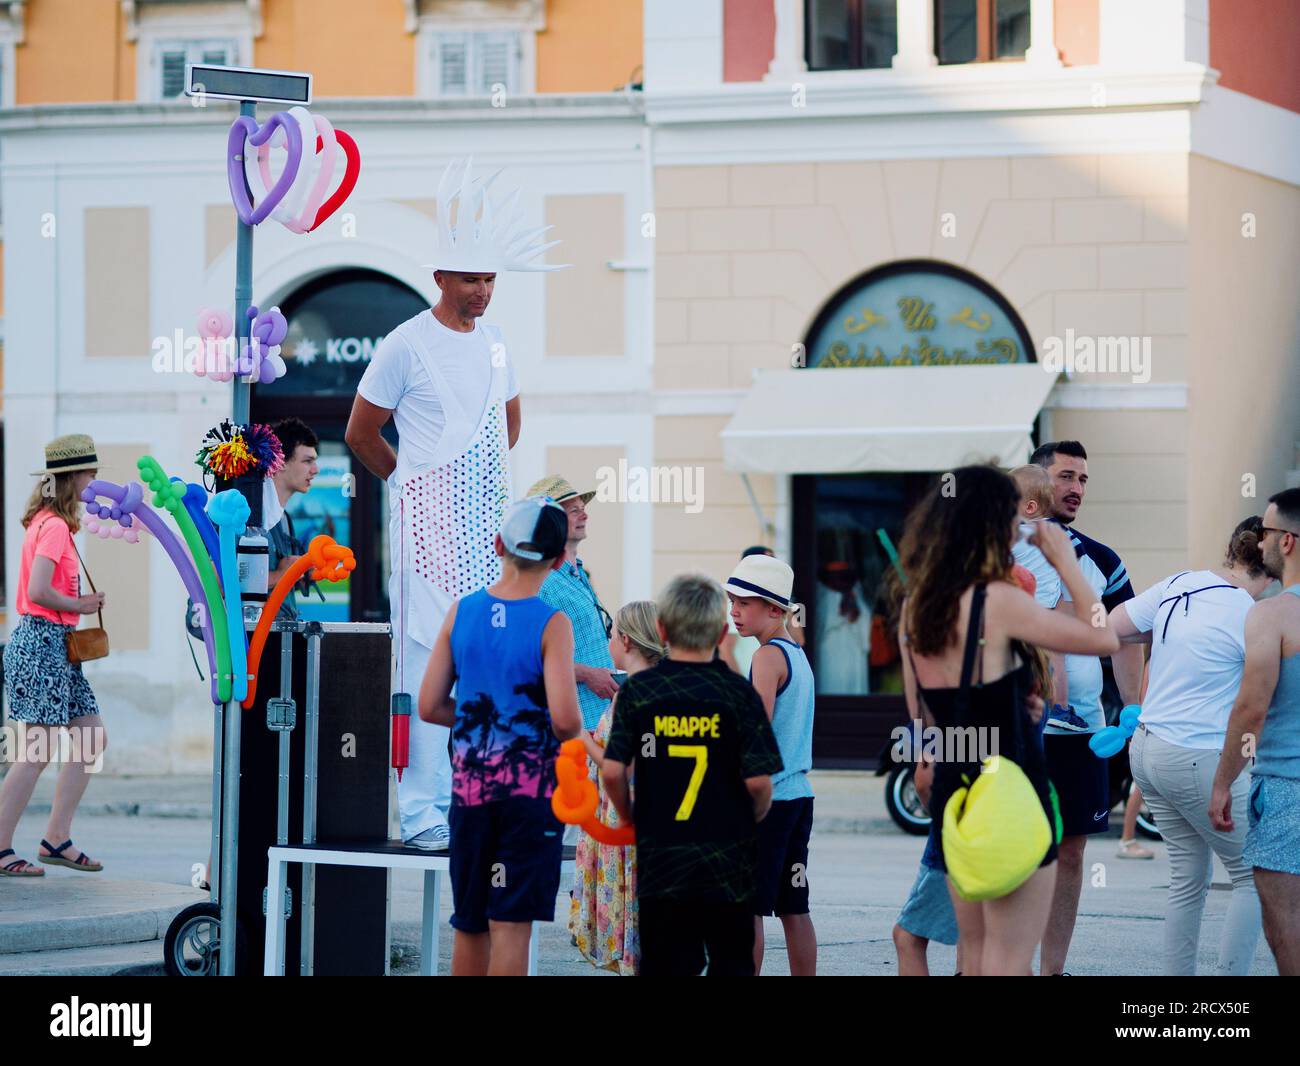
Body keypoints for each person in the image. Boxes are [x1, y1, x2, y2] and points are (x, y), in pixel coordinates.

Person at [347, 161, 558, 852]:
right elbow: (360, 431)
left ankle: (478, 793)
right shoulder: (404, 345)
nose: (483, 290)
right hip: (425, 529)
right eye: (471, 278)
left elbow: (508, 421)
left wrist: (487, 479)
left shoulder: (498, 344)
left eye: (490, 279)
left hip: (485, 529)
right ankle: (420, 813)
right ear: (440, 277)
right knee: (423, 664)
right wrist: (406, 479)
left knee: (487, 657)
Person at [898, 464, 1120, 975]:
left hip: (959, 794)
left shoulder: (916, 607)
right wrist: (1065, 563)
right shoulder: (995, 600)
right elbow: (1103, 637)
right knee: (1009, 960)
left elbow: (923, 722)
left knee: (973, 956)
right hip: (1014, 790)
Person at [417, 497, 581, 975]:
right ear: (557, 560)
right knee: (511, 925)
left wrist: (482, 721)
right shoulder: (553, 623)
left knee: (470, 924)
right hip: (529, 799)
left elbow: (429, 706)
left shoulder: (461, 612)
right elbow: (567, 719)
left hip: (470, 797)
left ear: (496, 545)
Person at [1109, 517, 1273, 974]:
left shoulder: (1181, 582)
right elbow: (1257, 706)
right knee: (1253, 876)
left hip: (1147, 748)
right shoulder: (1253, 614)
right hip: (1197, 756)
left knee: (1187, 878)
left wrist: (1132, 702)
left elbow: (1115, 630)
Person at [602, 573, 784, 976]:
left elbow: (612, 772)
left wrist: (631, 815)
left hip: (662, 860)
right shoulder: (739, 693)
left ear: (663, 629)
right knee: (731, 962)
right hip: (727, 861)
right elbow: (758, 782)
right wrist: (749, 818)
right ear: (722, 633)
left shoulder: (640, 691)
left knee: (668, 964)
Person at [1030, 439, 1144, 975]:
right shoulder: (999, 552)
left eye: (1083, 480)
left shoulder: (1102, 560)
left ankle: (1051, 969)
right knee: (1011, 848)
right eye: (1066, 477)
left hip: (1083, 732)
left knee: (1071, 850)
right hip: (1015, 728)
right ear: (1037, 479)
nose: (1076, 489)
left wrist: (1134, 710)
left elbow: (1127, 638)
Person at [0, 435, 108, 877]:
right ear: (71, 479)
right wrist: (81, 605)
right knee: (36, 751)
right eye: (89, 474)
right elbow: (37, 591)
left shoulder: (46, 521)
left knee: (90, 737)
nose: (94, 482)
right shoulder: (56, 527)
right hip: (42, 643)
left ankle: (55, 838)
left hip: (55, 647)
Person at [1211, 487, 1300, 975]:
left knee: (1286, 923)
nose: (1258, 540)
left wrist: (1224, 780)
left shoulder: (1272, 615)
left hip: (1287, 787)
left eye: (1265, 530)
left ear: (1286, 541)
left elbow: (1251, 710)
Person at [726, 553, 818, 976]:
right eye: (732, 601)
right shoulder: (797, 654)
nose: (734, 612)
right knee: (794, 906)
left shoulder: (765, 658)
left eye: (744, 603)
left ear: (775, 610)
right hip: (799, 796)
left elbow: (754, 730)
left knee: (749, 908)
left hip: (769, 800)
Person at [569, 600, 665, 975]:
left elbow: (618, 765)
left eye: (611, 635)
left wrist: (580, 735)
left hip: (622, 812)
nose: (608, 643)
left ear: (625, 640)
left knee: (630, 903)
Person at [527, 476, 618, 732]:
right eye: (574, 510)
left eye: (583, 508)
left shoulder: (577, 573)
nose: (585, 515)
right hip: (571, 730)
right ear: (549, 522)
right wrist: (589, 674)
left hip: (595, 723)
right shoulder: (542, 581)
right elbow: (530, 660)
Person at [264, 417, 321, 620]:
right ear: (280, 462)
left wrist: (301, 576)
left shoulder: (284, 519)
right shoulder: (248, 513)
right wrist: (283, 575)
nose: (315, 470)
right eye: (307, 461)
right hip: (247, 643)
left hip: (275, 636)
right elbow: (216, 581)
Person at [720, 546, 804, 676]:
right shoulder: (736, 605)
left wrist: (785, 602)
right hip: (748, 682)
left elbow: (799, 640)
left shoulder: (783, 606)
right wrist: (743, 688)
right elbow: (725, 649)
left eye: (773, 562)